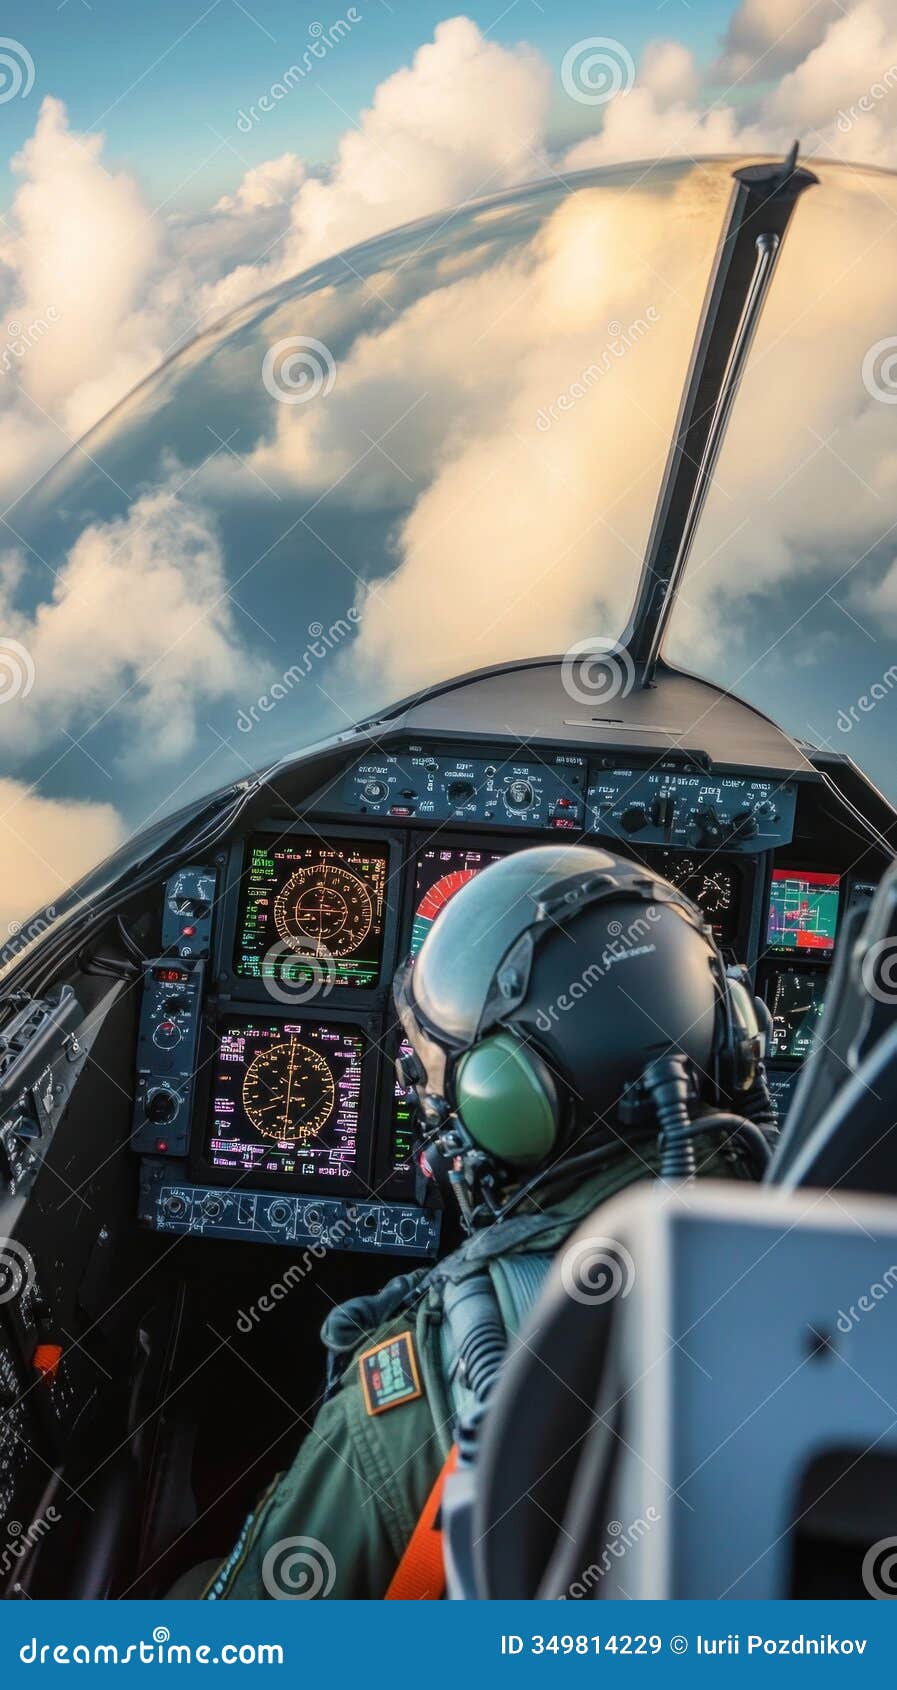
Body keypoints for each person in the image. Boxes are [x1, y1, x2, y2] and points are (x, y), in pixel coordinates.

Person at [196, 843, 776, 1600]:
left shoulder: (434, 1370)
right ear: (729, 1029)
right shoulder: (838, 1253)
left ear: (513, 1100)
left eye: (446, 1079)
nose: (437, 1106)